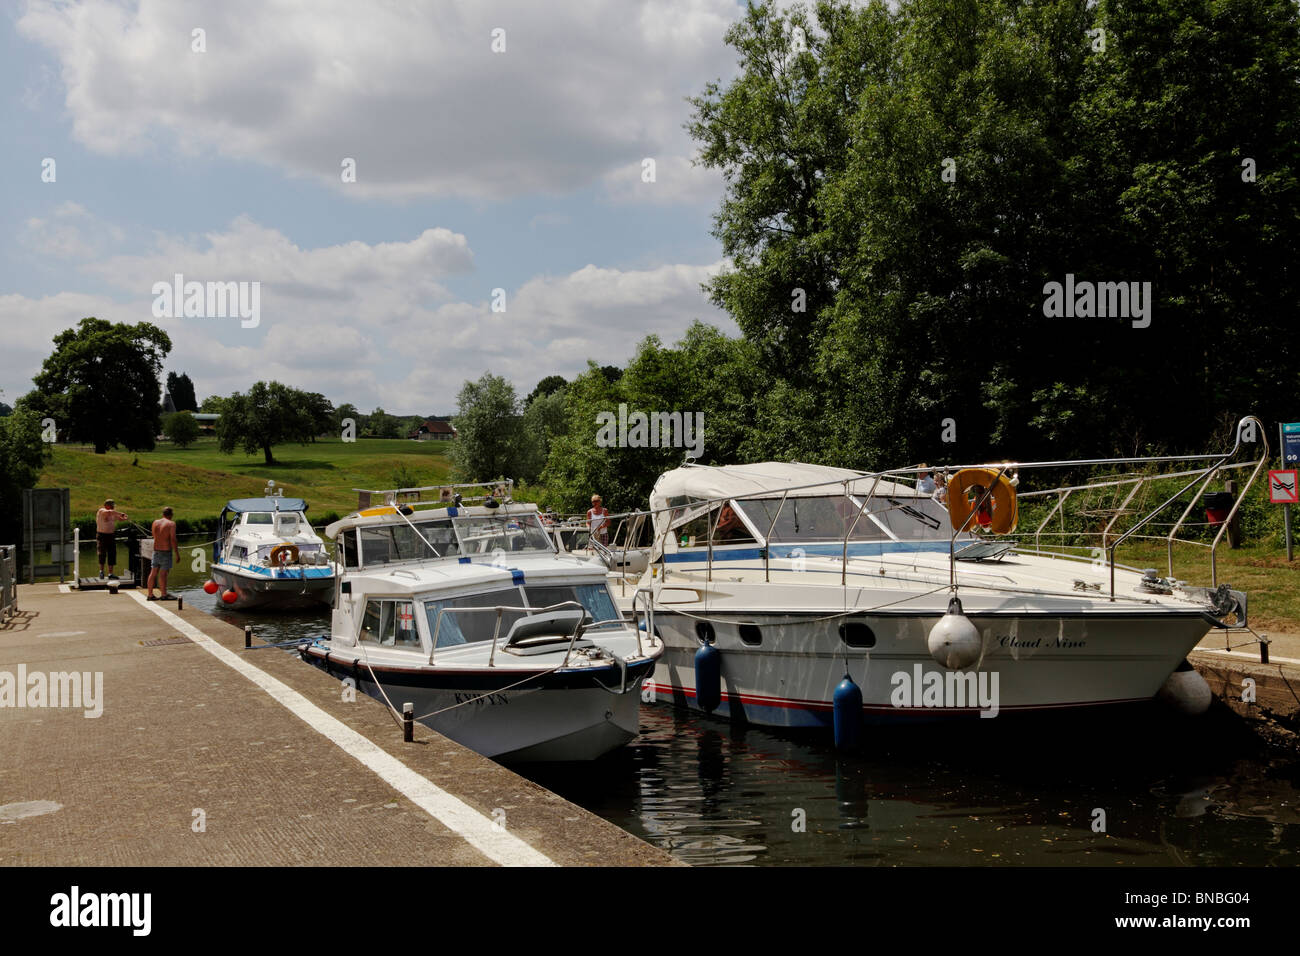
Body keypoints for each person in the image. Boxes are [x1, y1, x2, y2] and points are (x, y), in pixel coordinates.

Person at [146, 506, 180, 601]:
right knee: (163, 574)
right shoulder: (171, 524)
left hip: (156, 550)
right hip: (165, 551)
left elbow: (155, 535)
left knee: (153, 573)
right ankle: (164, 595)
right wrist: (177, 553)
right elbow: (173, 539)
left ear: (163, 514)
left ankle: (150, 595)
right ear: (171, 515)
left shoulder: (155, 522)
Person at [95, 499, 129, 579]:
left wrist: (124, 518)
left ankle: (110, 573)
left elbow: (119, 518)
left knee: (112, 553)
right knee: (102, 553)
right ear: (106, 505)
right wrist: (121, 513)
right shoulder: (102, 511)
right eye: (111, 505)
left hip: (111, 535)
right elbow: (109, 512)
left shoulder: (112, 512)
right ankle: (101, 572)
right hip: (102, 535)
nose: (113, 507)